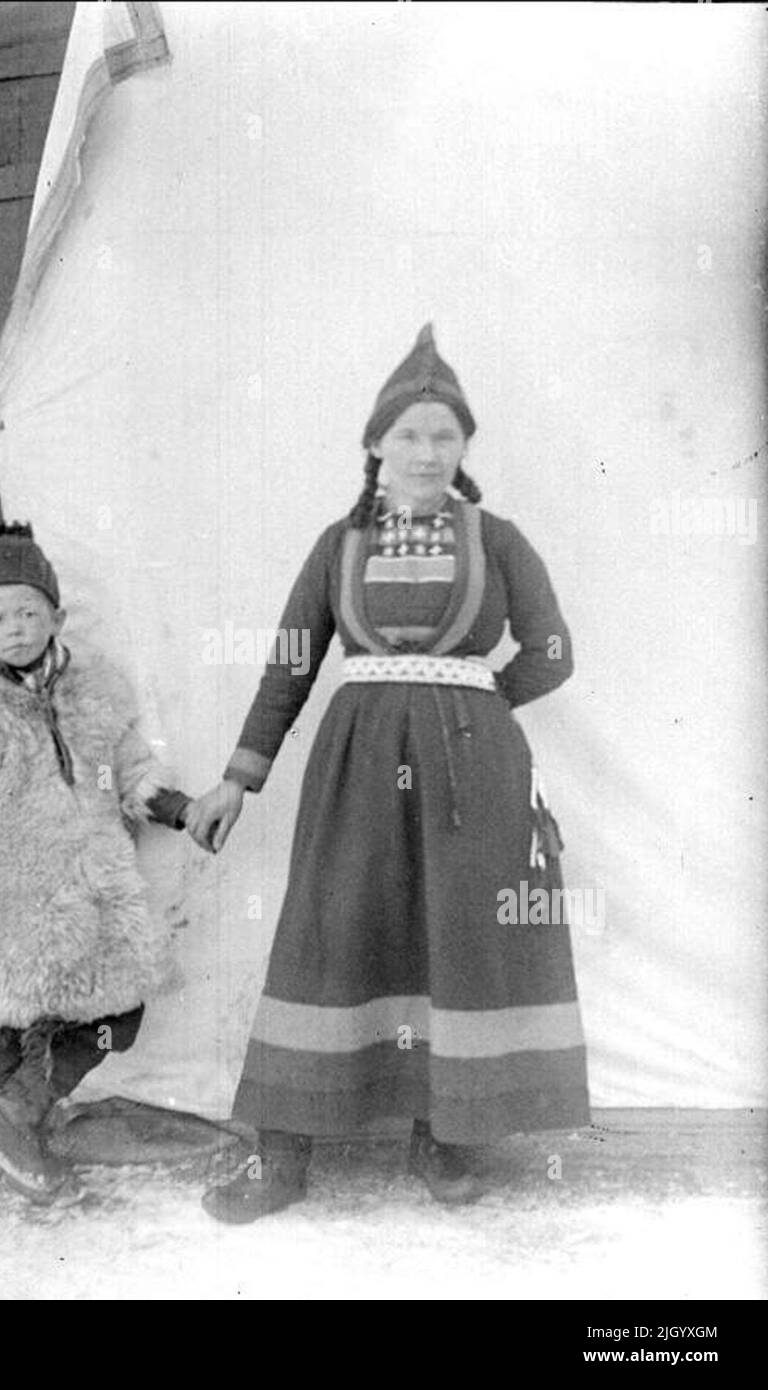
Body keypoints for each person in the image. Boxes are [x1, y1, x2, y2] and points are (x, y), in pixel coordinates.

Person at [187, 324, 590, 1222]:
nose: (425, 452)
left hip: (471, 774)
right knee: (330, 933)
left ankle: (443, 1140)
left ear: (464, 448)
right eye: (407, 434)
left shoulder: (502, 539)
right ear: (375, 445)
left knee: (457, 940)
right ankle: (283, 1154)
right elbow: (291, 661)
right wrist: (235, 781)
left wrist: (477, 701)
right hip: (356, 765)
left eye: (444, 435)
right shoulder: (338, 545)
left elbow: (554, 652)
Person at [0, 522, 193, 1203]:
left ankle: (18, 1117)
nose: (16, 627)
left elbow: (130, 767)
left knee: (118, 1011)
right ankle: (23, 1132)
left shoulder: (94, 692)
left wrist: (181, 811)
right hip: (4, 901)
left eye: (28, 610)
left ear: (55, 614)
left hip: (89, 895)